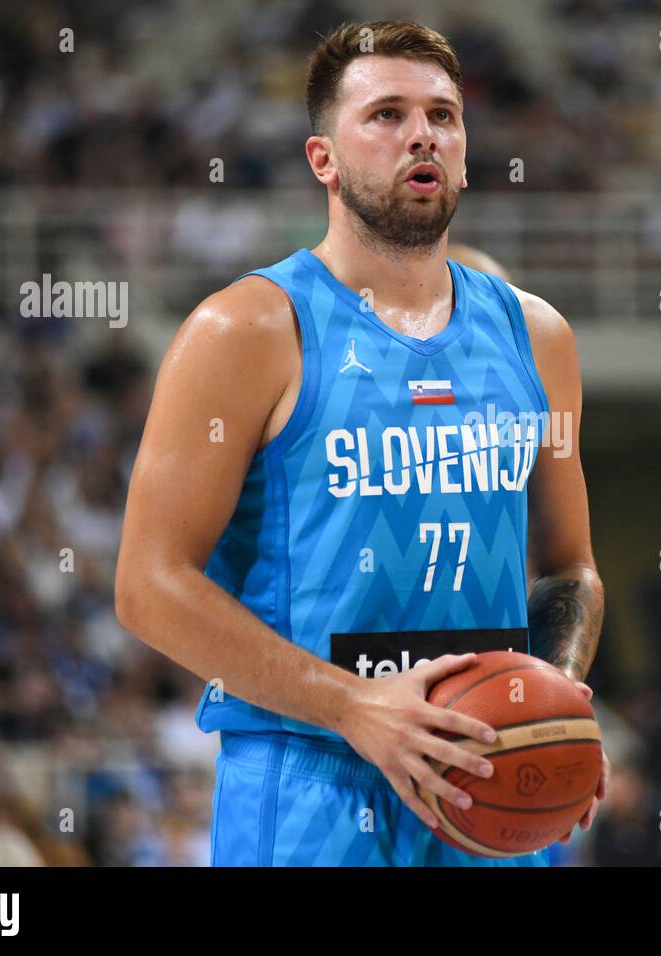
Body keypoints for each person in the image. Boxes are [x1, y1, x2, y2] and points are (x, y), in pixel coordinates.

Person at [115, 19, 606, 866]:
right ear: (323, 161)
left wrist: (551, 700)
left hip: (483, 784)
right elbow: (148, 586)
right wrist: (354, 706)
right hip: (313, 785)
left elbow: (568, 570)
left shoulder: (539, 336)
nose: (422, 133)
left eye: (443, 116)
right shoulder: (244, 330)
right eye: (385, 115)